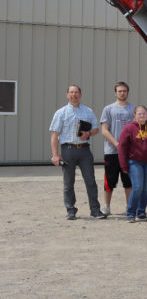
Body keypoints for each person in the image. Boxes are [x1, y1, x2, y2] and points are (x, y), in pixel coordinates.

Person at [49, 84, 102, 220]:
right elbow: (55, 134)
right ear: (67, 95)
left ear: (81, 94)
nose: (74, 95)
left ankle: (95, 210)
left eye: (76, 92)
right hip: (68, 150)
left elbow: (96, 129)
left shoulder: (88, 111)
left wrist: (88, 133)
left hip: (84, 150)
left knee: (91, 181)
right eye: (71, 92)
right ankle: (71, 210)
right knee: (68, 183)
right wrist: (55, 155)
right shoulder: (61, 113)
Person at [118, 105, 147, 222]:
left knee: (145, 188)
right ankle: (130, 213)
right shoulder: (129, 128)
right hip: (135, 162)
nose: (142, 116)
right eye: (139, 114)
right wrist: (123, 164)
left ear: (146, 114)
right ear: (134, 115)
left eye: (144, 113)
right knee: (137, 187)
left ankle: (141, 212)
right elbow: (122, 148)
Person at [99, 81, 135, 216]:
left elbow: (137, 129)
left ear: (127, 92)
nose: (122, 93)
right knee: (109, 180)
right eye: (119, 91)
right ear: (115, 93)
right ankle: (106, 206)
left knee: (128, 180)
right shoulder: (108, 109)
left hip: (129, 152)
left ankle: (129, 207)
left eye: (124, 91)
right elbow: (104, 130)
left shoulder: (133, 109)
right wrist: (116, 143)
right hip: (112, 152)